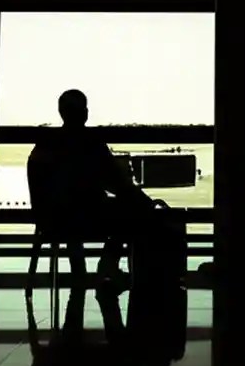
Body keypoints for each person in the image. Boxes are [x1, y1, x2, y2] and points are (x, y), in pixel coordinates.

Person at [27, 89, 156, 288]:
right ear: (85, 113)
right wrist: (144, 201)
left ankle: (81, 273)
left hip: (53, 220)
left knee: (74, 217)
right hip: (90, 218)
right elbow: (118, 184)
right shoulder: (92, 144)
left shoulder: (45, 144)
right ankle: (108, 265)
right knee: (130, 215)